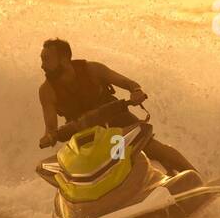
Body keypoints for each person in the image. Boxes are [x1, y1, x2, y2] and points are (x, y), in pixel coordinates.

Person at [37, 38, 197, 176]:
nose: (42, 65)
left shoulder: (92, 69)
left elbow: (130, 84)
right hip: (86, 137)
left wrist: (136, 92)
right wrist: (48, 138)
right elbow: (51, 130)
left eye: (46, 59)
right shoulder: (46, 91)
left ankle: (195, 178)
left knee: (154, 149)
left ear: (64, 59)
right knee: (88, 170)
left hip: (119, 123)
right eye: (42, 60)